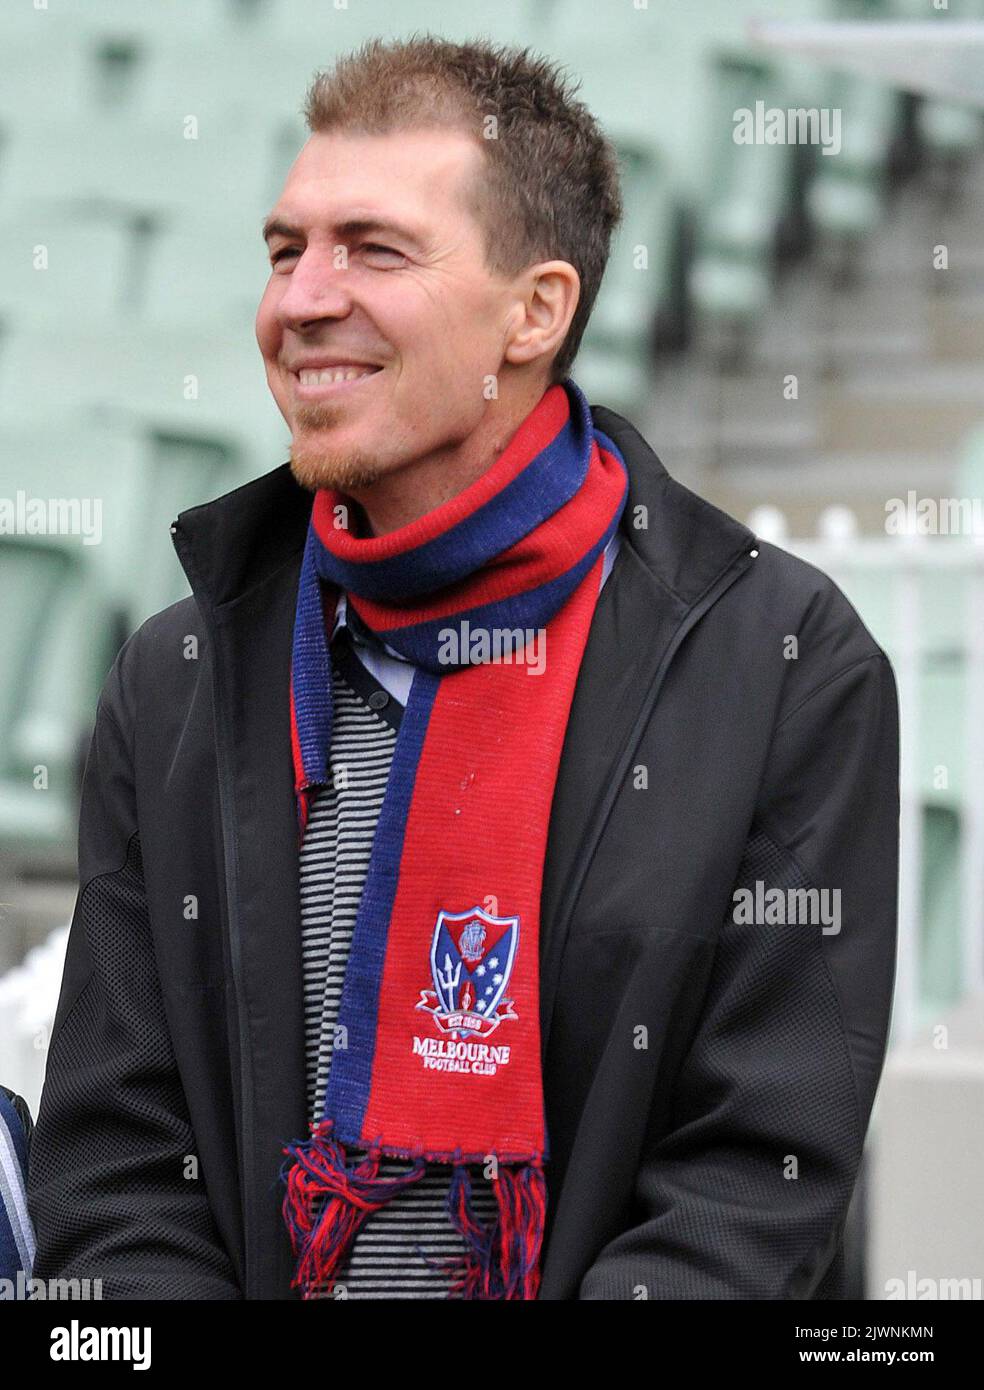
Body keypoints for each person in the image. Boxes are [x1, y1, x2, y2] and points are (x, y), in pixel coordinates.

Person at [27, 36, 899, 1300]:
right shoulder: (180, 675)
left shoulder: (779, 663)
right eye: (285, 250)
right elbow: (114, 1170)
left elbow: (750, 1180)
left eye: (373, 249)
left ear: (536, 310)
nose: (301, 300)